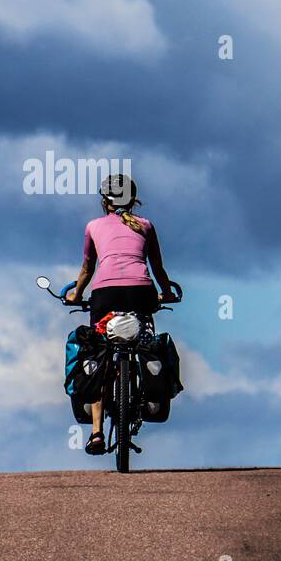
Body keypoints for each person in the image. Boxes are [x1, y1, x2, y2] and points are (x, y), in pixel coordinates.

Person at [67, 174, 177, 455]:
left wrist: (75, 295)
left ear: (104, 201)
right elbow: (158, 268)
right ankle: (144, 391)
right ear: (133, 200)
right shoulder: (146, 225)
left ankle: (95, 432)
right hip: (141, 292)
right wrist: (167, 293)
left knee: (99, 353)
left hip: (105, 295)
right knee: (144, 340)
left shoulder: (93, 226)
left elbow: (87, 270)